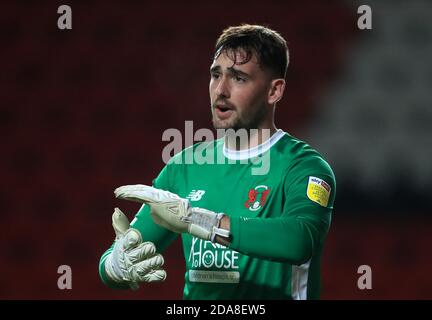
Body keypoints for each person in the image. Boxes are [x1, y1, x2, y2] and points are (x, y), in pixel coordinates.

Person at [98, 24, 336, 300]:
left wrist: (197, 220)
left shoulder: (303, 167)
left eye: (238, 78)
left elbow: (299, 240)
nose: (220, 89)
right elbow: (128, 248)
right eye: (215, 74)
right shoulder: (184, 167)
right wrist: (115, 265)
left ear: (274, 91)